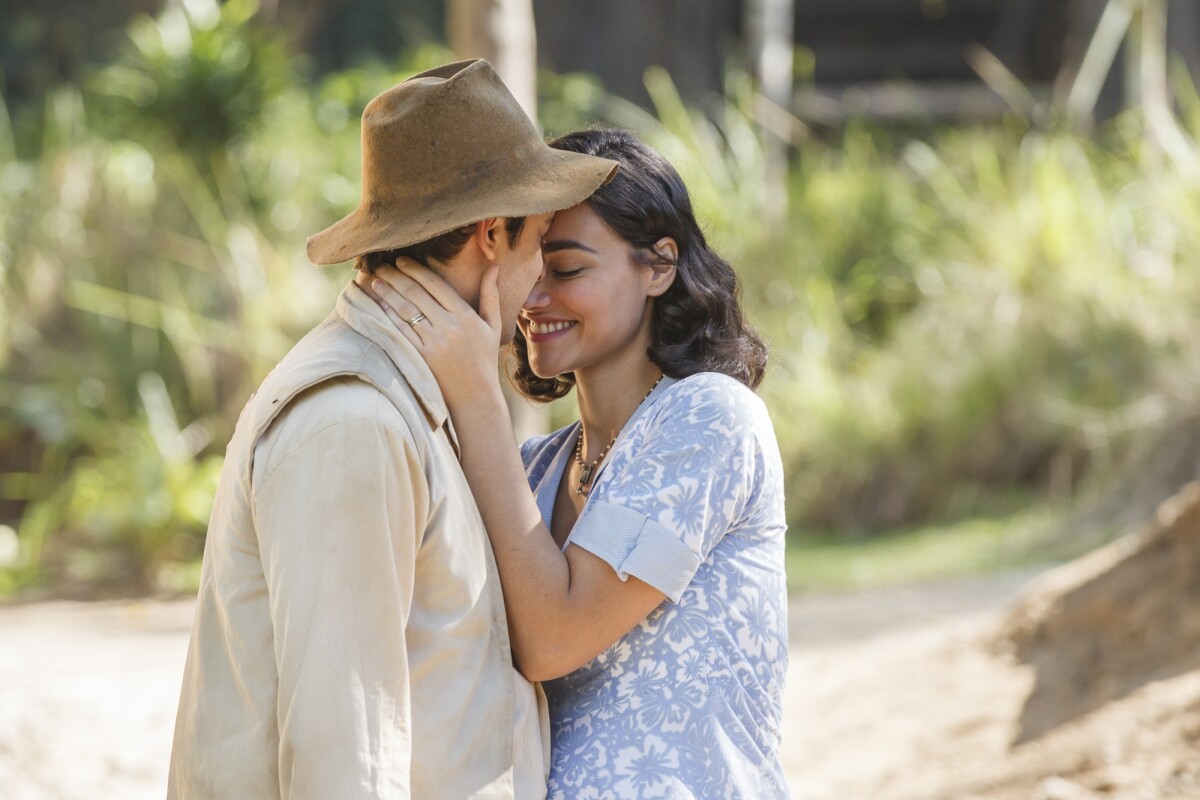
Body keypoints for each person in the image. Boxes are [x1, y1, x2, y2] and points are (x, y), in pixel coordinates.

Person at [166, 60, 617, 800]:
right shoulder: (355, 423)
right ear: (491, 235)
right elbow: (343, 748)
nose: (541, 278)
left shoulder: (406, 395)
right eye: (538, 239)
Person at [365, 128, 789, 799]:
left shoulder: (710, 419)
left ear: (658, 266)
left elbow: (552, 639)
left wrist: (475, 393)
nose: (533, 299)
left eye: (565, 270)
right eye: (531, 268)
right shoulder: (532, 470)